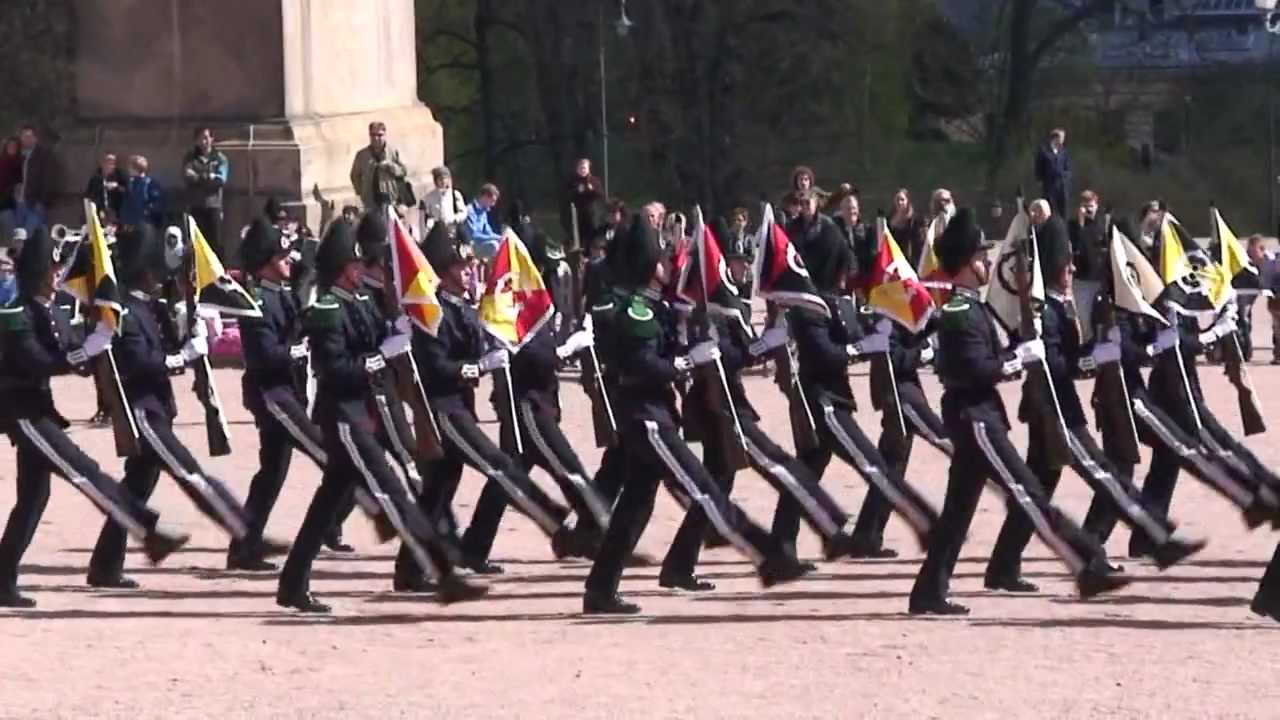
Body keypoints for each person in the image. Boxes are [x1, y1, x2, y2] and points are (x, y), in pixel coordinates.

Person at [908, 207, 1130, 616]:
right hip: (976, 420)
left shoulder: (971, 308)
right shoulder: (959, 312)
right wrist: (1017, 360)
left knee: (958, 512)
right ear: (962, 264)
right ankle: (1087, 564)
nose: (986, 263)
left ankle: (928, 592)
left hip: (979, 417)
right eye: (978, 257)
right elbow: (972, 370)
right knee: (1029, 493)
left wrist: (1015, 355)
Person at [582, 215, 805, 615]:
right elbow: (645, 366)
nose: (669, 265)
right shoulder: (636, 310)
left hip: (652, 414)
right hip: (647, 417)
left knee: (636, 506)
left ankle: (600, 589)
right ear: (650, 266)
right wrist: (686, 362)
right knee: (703, 487)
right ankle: (767, 553)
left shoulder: (649, 306)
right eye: (662, 259)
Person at [276, 218, 486, 612]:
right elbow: (337, 371)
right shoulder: (326, 309)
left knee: (326, 507)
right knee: (394, 492)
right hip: (344, 416)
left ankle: (292, 582)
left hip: (362, 414)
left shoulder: (356, 303)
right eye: (357, 265)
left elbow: (378, 334)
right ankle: (443, 574)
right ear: (343, 268)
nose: (363, 271)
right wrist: (380, 356)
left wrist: (401, 326)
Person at [982, 222, 1204, 592]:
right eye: (1066, 265)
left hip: (1054, 405)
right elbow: (1050, 364)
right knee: (1104, 474)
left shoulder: (1055, 309)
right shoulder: (1040, 312)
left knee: (1037, 492)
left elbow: (1069, 361)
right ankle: (1147, 542)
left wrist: (1098, 356)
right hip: (1054, 410)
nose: (1072, 270)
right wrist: (1092, 359)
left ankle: (1004, 566)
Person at [660, 217, 861, 591]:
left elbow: (735, 356)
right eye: (735, 262)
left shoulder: (725, 303)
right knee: (778, 463)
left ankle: (681, 564)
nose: (742, 267)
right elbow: (722, 359)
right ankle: (829, 529)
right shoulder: (709, 308)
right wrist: (760, 346)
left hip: (722, 403)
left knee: (717, 486)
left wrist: (764, 344)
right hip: (720, 408)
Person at [394, 221, 589, 590]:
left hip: (460, 406)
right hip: (444, 411)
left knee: (437, 493)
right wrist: (479, 366)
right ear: (443, 271)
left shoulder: (461, 308)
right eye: (460, 265)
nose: (469, 270)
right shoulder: (431, 312)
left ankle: (409, 568)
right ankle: (556, 525)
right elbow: (436, 368)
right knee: (499, 466)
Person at [0, 229, 189, 607]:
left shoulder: (51, 310)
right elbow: (37, 360)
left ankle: (2, 579)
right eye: (51, 268)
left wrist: (99, 343)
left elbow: (70, 352)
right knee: (83, 470)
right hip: (21, 413)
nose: (57, 274)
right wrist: (83, 351)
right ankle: (147, 529)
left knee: (33, 500)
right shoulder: (16, 313)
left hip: (39, 410)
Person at [85, 225, 277, 589]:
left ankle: (105, 566)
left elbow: (168, 341)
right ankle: (246, 531)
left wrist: (196, 329)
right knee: (191, 475)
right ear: (144, 269)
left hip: (158, 407)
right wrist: (182, 358)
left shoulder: (145, 304)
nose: (161, 276)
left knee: (136, 488)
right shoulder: (123, 307)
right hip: (142, 410)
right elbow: (140, 362)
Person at [772, 217, 937, 563]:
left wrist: (891, 323)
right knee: (872, 464)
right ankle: (921, 522)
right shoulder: (810, 307)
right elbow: (828, 354)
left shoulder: (838, 302)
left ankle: (787, 546)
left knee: (806, 474)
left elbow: (858, 332)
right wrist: (865, 347)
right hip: (822, 403)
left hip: (837, 399)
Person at [850, 315, 954, 558]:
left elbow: (912, 337)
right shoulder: (884, 320)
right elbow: (894, 357)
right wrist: (922, 353)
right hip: (899, 398)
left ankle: (866, 536)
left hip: (905, 394)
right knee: (951, 445)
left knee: (891, 468)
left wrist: (933, 325)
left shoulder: (895, 316)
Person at [182, 127, 230, 261]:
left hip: (213, 205)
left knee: (216, 241)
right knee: (197, 242)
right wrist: (208, 177)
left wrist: (199, 178)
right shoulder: (190, 158)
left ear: (212, 139)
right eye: (201, 138)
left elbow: (220, 181)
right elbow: (187, 176)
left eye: (206, 137)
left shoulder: (220, 159)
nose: (204, 141)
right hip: (196, 205)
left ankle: (219, 272)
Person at [1067, 190, 1106, 343]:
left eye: (1091, 206)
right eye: (1085, 206)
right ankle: (1088, 344)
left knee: (1101, 315)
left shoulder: (1102, 225)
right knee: (1083, 316)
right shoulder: (1073, 226)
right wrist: (1081, 224)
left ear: (1096, 205)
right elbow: (1075, 247)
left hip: (1100, 279)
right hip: (1082, 280)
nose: (1089, 210)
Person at [349, 121, 410, 211]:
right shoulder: (362, 155)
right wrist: (361, 192)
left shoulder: (393, 152)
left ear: (385, 135)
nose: (376, 138)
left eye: (379, 135)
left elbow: (404, 171)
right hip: (370, 201)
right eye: (373, 135)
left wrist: (391, 166)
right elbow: (354, 175)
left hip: (391, 199)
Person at [15, 126, 56, 234]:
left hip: (35, 203)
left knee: (30, 233)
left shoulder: (43, 155)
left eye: (29, 136)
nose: (26, 139)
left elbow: (48, 180)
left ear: (35, 138)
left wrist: (42, 201)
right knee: (18, 233)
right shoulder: (18, 155)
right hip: (19, 202)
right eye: (24, 137)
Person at [420, 165, 467, 241]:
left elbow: (463, 212)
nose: (443, 181)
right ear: (435, 180)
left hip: (452, 233)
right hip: (436, 235)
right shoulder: (428, 198)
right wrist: (431, 223)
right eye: (440, 179)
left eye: (445, 178)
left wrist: (455, 218)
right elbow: (425, 217)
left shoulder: (455, 194)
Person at [120, 155, 165, 230]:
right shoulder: (130, 183)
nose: (128, 169)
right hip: (131, 224)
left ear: (135, 169)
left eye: (130, 167)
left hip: (146, 223)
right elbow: (127, 202)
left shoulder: (150, 184)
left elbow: (157, 203)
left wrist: (146, 211)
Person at [1034, 127, 1072, 216]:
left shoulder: (1064, 152)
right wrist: (1040, 180)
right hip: (1049, 187)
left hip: (1062, 187)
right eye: (1062, 137)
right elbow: (1038, 168)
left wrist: (1065, 177)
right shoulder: (1043, 151)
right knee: (1049, 210)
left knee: (1063, 211)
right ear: (1056, 138)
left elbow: (1068, 169)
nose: (1063, 140)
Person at [462, 182, 503, 262]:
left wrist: (502, 237)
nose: (493, 204)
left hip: (480, 244)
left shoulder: (484, 212)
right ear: (485, 197)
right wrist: (497, 238)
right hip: (470, 247)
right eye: (492, 201)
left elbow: (488, 232)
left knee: (502, 245)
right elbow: (473, 236)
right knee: (493, 246)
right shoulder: (469, 211)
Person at [889, 188, 926, 270]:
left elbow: (919, 241)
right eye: (897, 200)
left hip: (909, 259)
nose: (899, 202)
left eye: (902, 200)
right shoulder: (888, 219)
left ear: (908, 201)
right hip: (893, 258)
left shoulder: (915, 220)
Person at [84, 152, 128, 221]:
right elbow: (88, 194)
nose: (110, 166)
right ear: (102, 163)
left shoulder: (120, 175)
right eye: (107, 162)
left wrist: (117, 186)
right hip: (99, 209)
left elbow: (127, 191)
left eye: (112, 163)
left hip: (115, 209)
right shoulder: (96, 176)